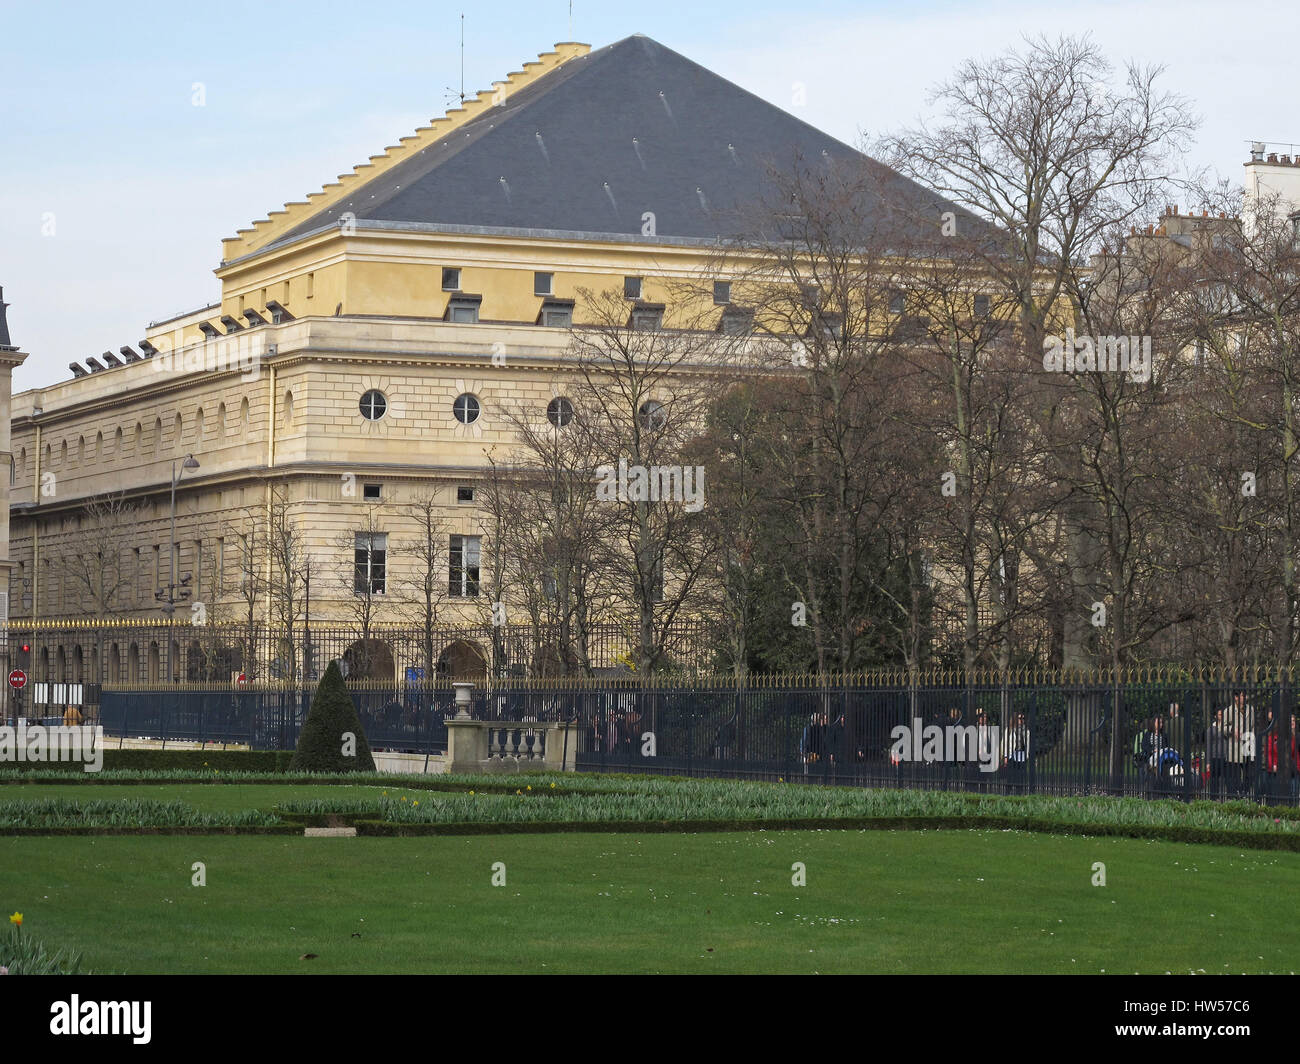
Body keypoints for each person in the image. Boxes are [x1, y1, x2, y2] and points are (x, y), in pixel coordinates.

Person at [1001, 711, 1029, 793]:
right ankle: (1007, 795)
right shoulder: (1009, 730)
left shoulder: (1026, 730)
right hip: (1012, 755)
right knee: (1010, 778)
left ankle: (1019, 795)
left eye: (1023, 718)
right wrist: (1005, 756)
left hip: (1022, 755)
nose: (1022, 720)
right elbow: (1004, 743)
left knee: (1020, 778)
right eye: (1020, 718)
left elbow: (1028, 744)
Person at [1206, 709, 1228, 797]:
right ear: (1215, 716)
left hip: (1226, 757)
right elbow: (1208, 746)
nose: (1221, 716)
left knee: (1226, 779)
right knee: (1214, 779)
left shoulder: (1227, 728)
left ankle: (1225, 797)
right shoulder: (1211, 729)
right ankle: (1213, 798)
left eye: (1223, 715)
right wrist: (1208, 762)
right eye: (1219, 715)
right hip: (1214, 757)